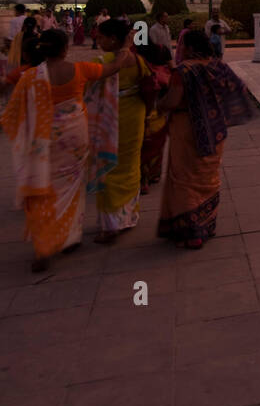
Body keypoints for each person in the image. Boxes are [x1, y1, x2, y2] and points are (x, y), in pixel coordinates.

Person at [0, 29, 131, 272]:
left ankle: (43, 244)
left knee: (43, 189)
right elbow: (114, 67)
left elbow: (12, 112)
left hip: (43, 141)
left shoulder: (30, 77)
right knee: (71, 188)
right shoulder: (80, 70)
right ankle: (69, 238)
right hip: (74, 137)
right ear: (65, 49)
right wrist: (126, 45)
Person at [157, 30, 251, 249]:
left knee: (185, 179)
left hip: (187, 130)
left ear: (189, 48)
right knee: (208, 177)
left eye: (182, 45)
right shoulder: (219, 67)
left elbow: (172, 101)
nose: (180, 49)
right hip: (214, 130)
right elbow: (240, 89)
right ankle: (206, 224)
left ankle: (192, 232)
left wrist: (158, 104)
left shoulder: (183, 71)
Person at [93, 19, 153, 243]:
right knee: (130, 165)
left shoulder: (102, 62)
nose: (98, 41)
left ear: (113, 39)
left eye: (101, 37)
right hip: (135, 115)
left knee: (108, 167)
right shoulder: (138, 60)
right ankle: (128, 216)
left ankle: (110, 225)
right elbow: (149, 86)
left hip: (109, 118)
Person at [138, 43, 174, 194]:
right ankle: (154, 174)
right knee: (157, 145)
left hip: (141, 111)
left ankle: (143, 179)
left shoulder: (139, 64)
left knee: (142, 146)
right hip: (159, 111)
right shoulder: (162, 52)